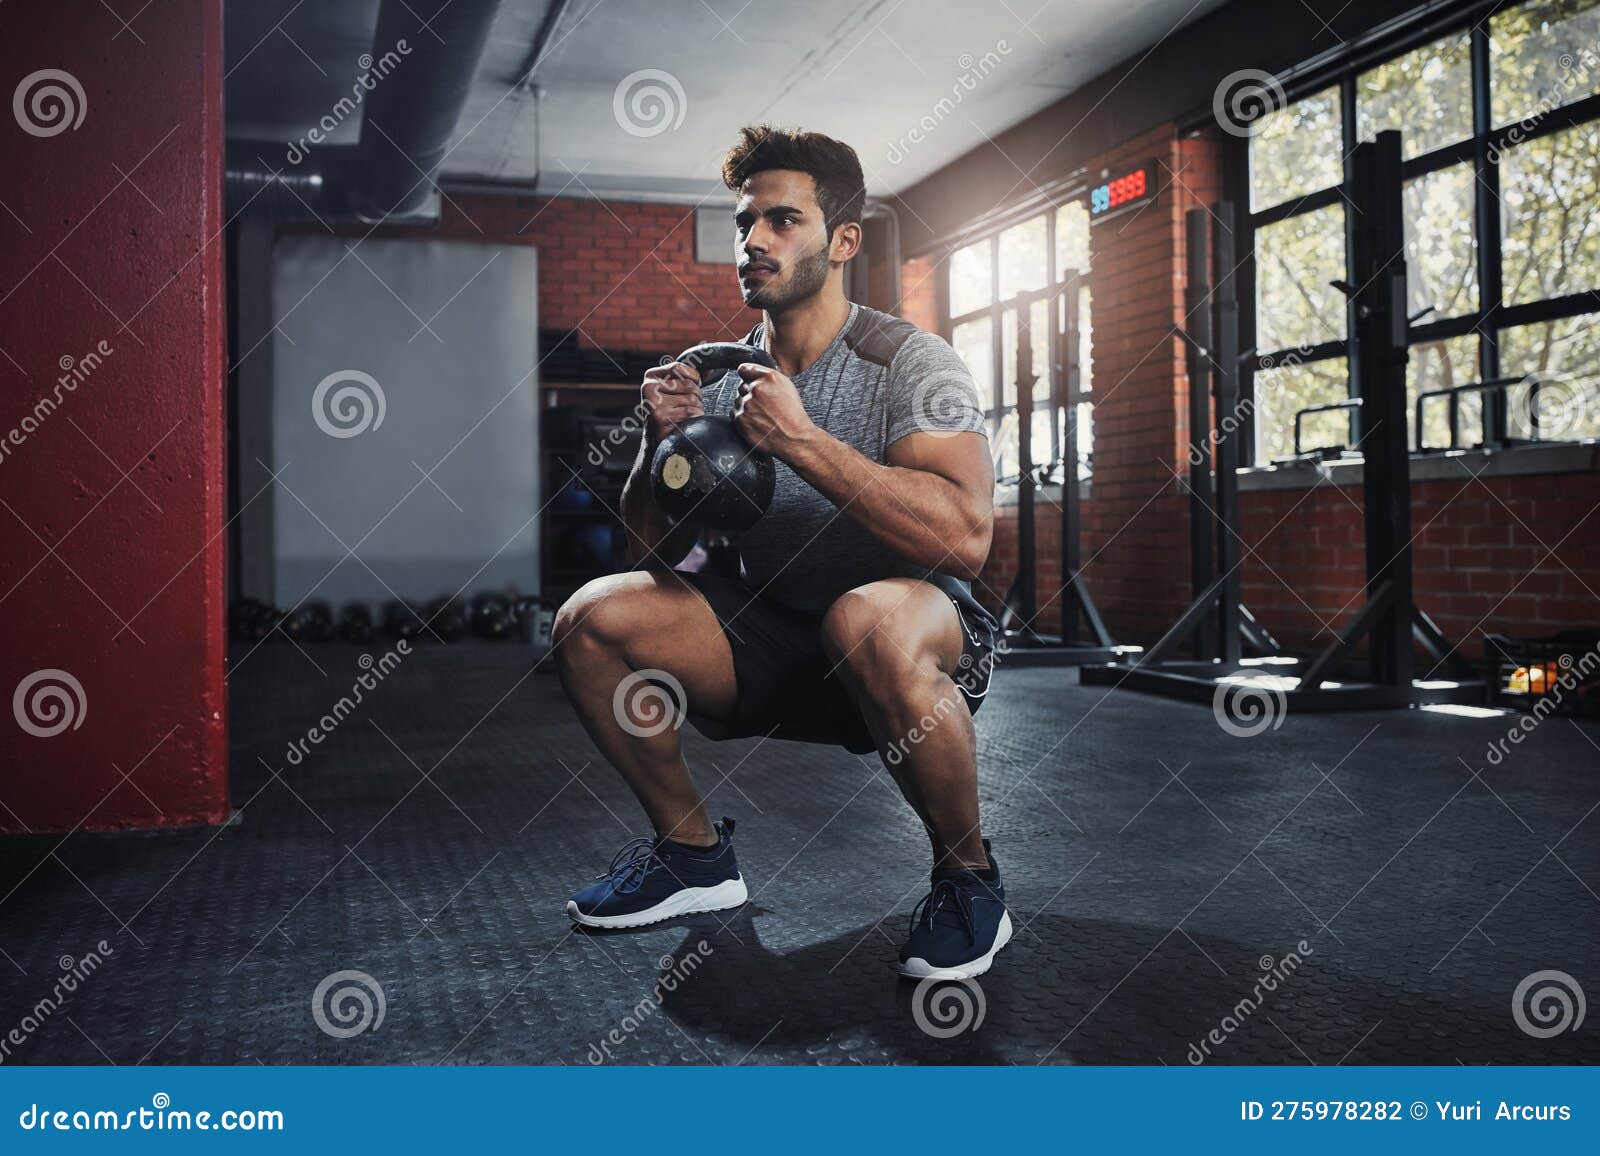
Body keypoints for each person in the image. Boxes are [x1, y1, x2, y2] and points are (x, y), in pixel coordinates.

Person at [552, 125, 1008, 980]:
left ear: (843, 241)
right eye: (745, 223)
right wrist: (663, 443)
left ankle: (968, 877)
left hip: (904, 636)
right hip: (773, 635)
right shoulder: (719, 380)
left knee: (866, 613)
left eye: (783, 221)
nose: (755, 240)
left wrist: (803, 444)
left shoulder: (911, 362)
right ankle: (692, 857)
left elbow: (965, 540)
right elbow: (650, 552)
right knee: (592, 618)